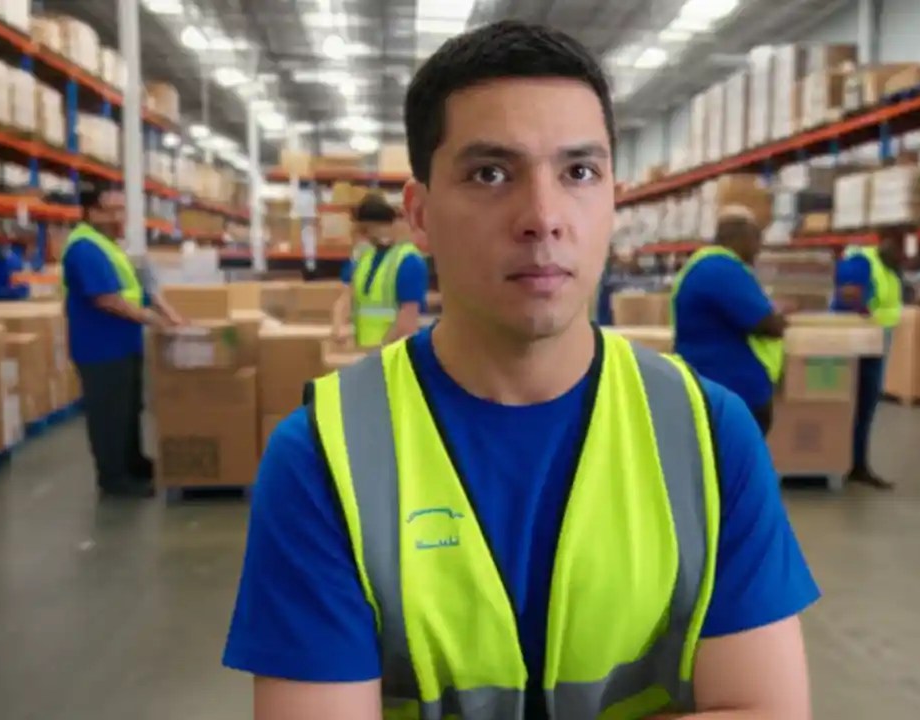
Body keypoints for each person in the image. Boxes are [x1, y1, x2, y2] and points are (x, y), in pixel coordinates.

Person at [225, 20, 818, 720]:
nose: (543, 216)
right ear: (420, 215)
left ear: (612, 201)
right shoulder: (327, 459)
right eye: (490, 173)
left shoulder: (708, 436)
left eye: (578, 172)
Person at [60, 183, 185, 499]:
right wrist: (152, 319)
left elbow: (137, 289)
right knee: (109, 414)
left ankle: (134, 463)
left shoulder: (108, 245)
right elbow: (106, 299)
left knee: (129, 409)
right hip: (100, 347)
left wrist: (167, 313)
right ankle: (114, 479)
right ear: (92, 212)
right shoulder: (84, 247)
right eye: (112, 210)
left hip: (124, 344)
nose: (120, 216)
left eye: (122, 209)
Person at [673, 206, 787, 434]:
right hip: (732, 389)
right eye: (757, 240)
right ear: (742, 236)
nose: (758, 249)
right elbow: (766, 324)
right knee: (733, 463)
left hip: (712, 384)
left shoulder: (704, 265)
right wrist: (781, 319)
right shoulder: (722, 268)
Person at [832, 226, 906, 490]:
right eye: (898, 247)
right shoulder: (862, 260)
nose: (901, 255)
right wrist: (864, 315)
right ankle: (841, 462)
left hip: (875, 344)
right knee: (850, 405)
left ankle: (858, 465)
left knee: (865, 408)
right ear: (885, 241)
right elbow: (848, 294)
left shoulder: (890, 271)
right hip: (858, 345)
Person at [330, 192, 429, 347]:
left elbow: (408, 319)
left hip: (392, 356)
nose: (367, 235)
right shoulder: (363, 257)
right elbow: (346, 297)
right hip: (363, 352)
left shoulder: (408, 261)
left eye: (370, 228)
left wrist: (380, 355)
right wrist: (338, 327)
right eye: (364, 230)